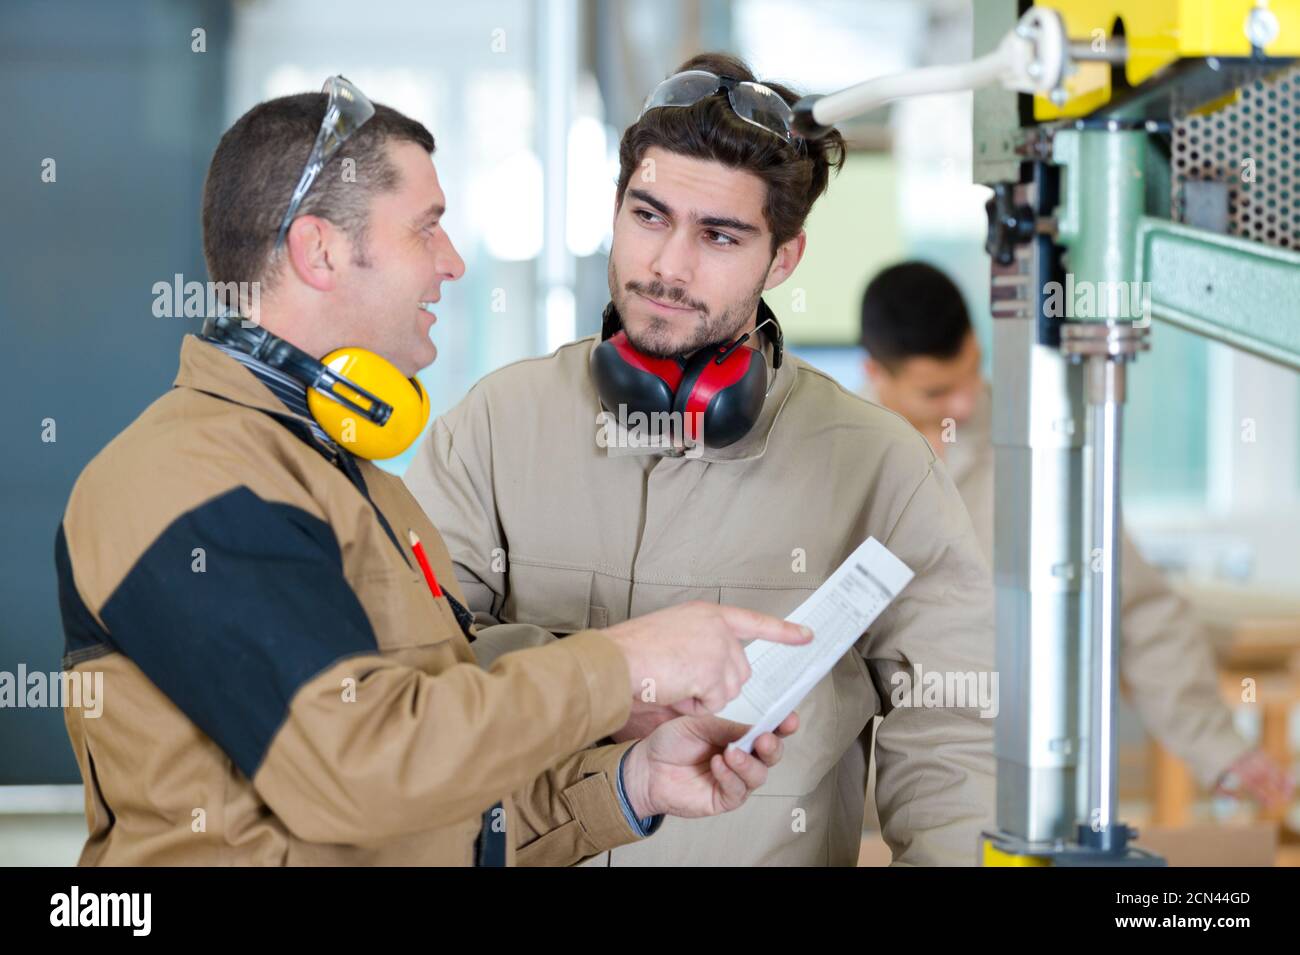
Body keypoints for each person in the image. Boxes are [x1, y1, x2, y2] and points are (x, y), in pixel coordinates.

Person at [52, 76, 811, 867]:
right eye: (427, 230)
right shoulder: (189, 476)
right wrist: (623, 667)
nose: (451, 263)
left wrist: (631, 784)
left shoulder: (356, 482)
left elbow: (430, 815)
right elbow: (358, 770)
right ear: (321, 251)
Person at [404, 54, 997, 867]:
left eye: (719, 236)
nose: (668, 267)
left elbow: (952, 750)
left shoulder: (880, 469)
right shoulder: (494, 428)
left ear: (782, 260)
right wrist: (609, 678)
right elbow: (405, 686)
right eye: (649, 217)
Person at [859, 260, 1295, 809]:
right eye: (937, 392)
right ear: (876, 372)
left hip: (1014, 774)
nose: (965, 404)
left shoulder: (1036, 441)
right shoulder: (840, 462)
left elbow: (1139, 607)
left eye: (972, 371)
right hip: (875, 781)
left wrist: (1217, 745)